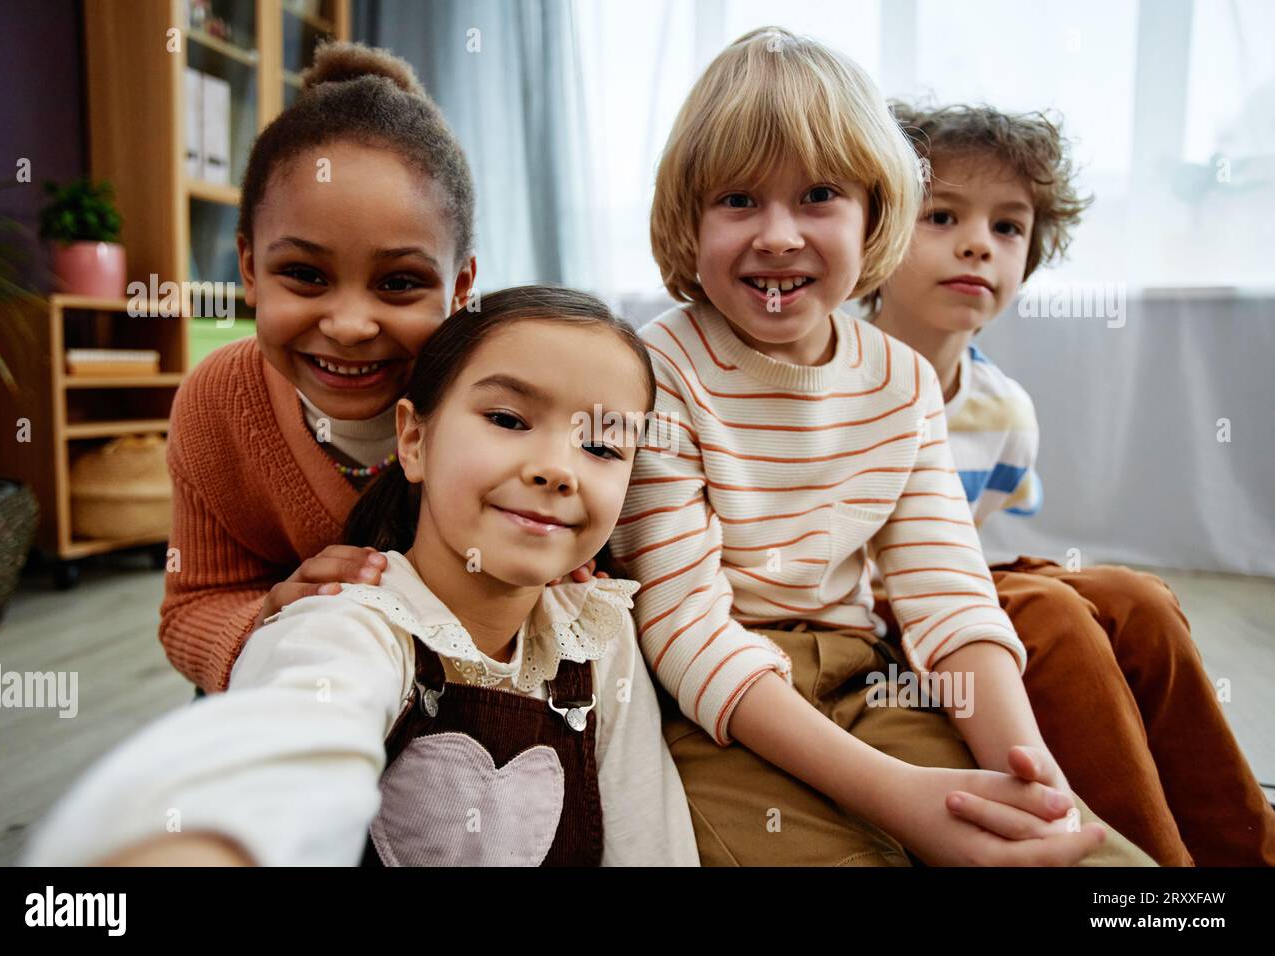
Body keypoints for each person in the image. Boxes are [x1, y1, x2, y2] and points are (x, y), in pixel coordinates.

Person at [608, 26, 1154, 866]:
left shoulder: (900, 381)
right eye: (738, 200)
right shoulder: (659, 366)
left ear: (874, 218)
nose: (780, 235)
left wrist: (1034, 775)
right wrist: (900, 799)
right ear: (689, 218)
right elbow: (683, 627)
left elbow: (947, 592)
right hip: (714, 709)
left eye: (819, 195)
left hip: (871, 676)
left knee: (1086, 861)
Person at [24, 287, 698, 867]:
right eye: (506, 419)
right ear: (413, 440)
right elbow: (290, 742)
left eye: (602, 444)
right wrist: (208, 840)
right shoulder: (352, 621)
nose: (558, 468)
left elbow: (648, 837)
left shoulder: (600, 635)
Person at [867, 101, 1275, 867]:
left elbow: (975, 538)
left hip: (952, 585)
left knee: (1139, 599)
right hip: (858, 607)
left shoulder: (1006, 411)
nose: (977, 246)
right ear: (876, 229)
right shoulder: (833, 376)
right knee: (1051, 611)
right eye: (943, 217)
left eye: (1007, 227)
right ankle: (1153, 881)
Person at [160, 40, 599, 696]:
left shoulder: (514, 397)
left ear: (460, 287)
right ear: (249, 268)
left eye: (397, 283)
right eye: (305, 275)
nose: (348, 325)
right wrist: (269, 616)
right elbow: (193, 607)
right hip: (301, 682)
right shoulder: (217, 401)